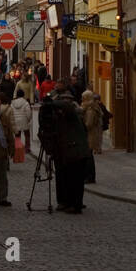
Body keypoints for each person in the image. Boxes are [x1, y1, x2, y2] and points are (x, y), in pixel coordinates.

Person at [49, 80, 90, 214]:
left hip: (77, 152)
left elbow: (66, 107)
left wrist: (51, 102)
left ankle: (75, 204)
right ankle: (66, 201)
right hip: (68, 151)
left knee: (76, 180)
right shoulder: (63, 116)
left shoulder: (72, 112)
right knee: (66, 178)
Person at [10, 84, 32, 156]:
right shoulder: (25, 103)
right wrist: (28, 120)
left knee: (17, 135)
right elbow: (28, 113)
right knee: (27, 135)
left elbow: (11, 112)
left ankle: (17, 148)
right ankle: (27, 148)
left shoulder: (12, 103)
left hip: (16, 121)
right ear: (23, 95)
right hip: (24, 120)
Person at [80, 90, 104, 157]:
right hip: (94, 128)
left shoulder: (90, 108)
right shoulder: (90, 105)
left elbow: (89, 122)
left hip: (91, 130)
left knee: (92, 142)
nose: (82, 99)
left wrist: (85, 127)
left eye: (83, 97)